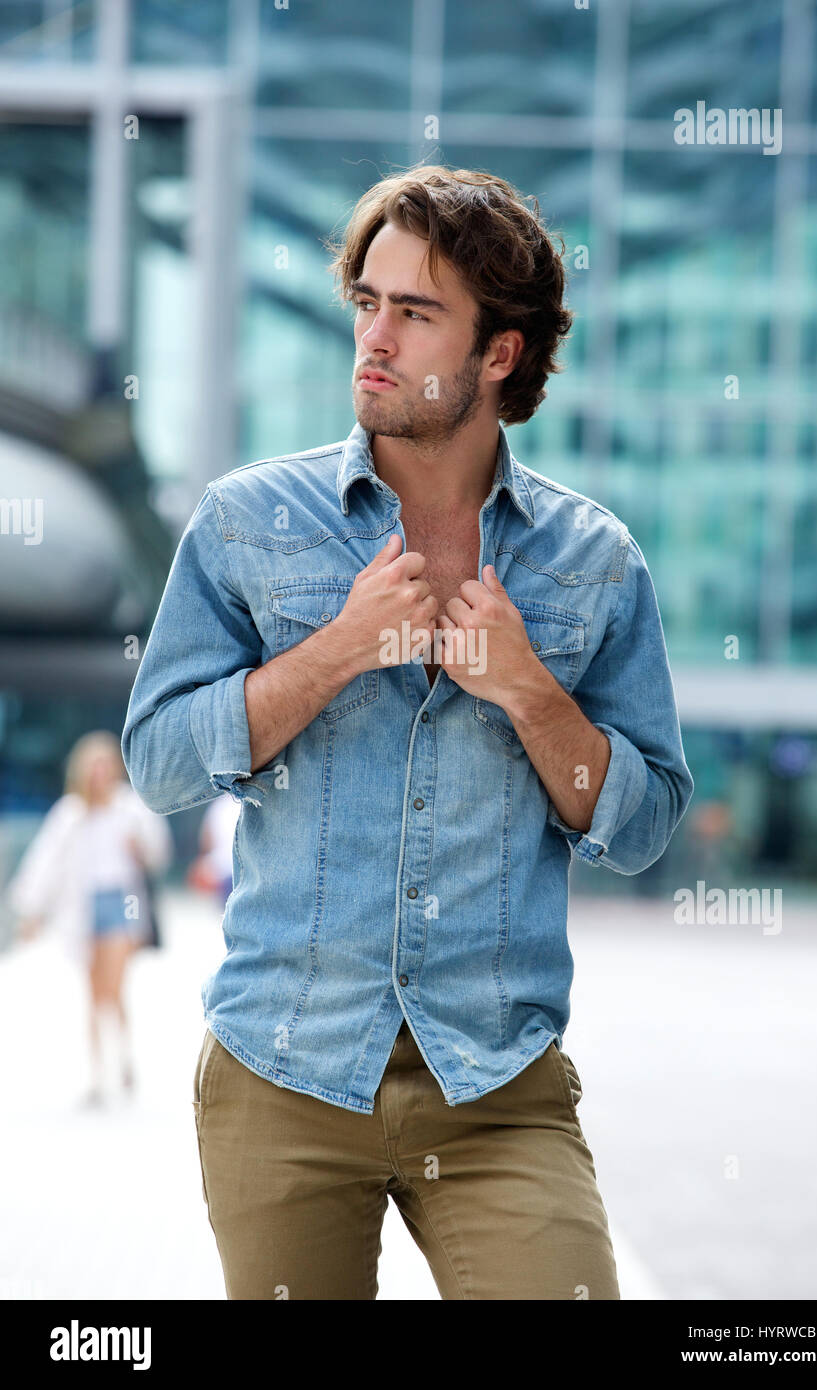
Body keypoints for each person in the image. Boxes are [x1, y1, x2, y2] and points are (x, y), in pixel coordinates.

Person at [122, 165, 694, 1299]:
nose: (372, 338)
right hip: (282, 1070)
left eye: (415, 313)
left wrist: (530, 690)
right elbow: (158, 761)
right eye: (367, 303)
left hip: (499, 1087)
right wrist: (337, 648)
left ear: (500, 354)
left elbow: (644, 824)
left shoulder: (595, 561)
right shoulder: (247, 521)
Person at [8, 730, 172, 1105]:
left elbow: (158, 853)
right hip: (83, 908)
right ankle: (100, 1074)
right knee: (94, 992)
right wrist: (31, 912)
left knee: (112, 988)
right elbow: (43, 863)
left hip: (124, 904)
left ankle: (124, 1058)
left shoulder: (131, 808)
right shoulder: (70, 813)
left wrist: (140, 848)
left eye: (104, 764)